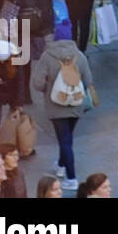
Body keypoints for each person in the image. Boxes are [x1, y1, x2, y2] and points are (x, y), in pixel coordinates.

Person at [31, 19, 93, 189]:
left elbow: (37, 83)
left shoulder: (47, 56)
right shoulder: (79, 56)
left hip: (56, 105)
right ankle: (60, 164)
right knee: (66, 138)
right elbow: (89, 80)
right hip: (76, 104)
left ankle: (71, 178)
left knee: (65, 140)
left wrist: (47, 88)